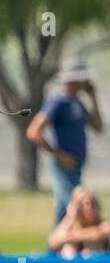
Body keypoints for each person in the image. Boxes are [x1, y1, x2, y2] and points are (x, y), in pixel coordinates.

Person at [26, 59, 103, 226]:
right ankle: (61, 247)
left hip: (76, 166)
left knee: (64, 212)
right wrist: (58, 155)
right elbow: (34, 131)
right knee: (74, 208)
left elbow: (98, 126)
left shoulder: (78, 102)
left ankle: (54, 250)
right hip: (64, 167)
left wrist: (93, 98)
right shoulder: (58, 102)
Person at [47, 185, 110, 258]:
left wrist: (70, 235)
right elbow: (53, 242)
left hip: (96, 262)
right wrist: (71, 216)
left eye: (92, 203)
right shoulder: (71, 222)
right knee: (69, 247)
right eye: (84, 204)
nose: (89, 207)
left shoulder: (102, 223)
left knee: (91, 246)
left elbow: (98, 234)